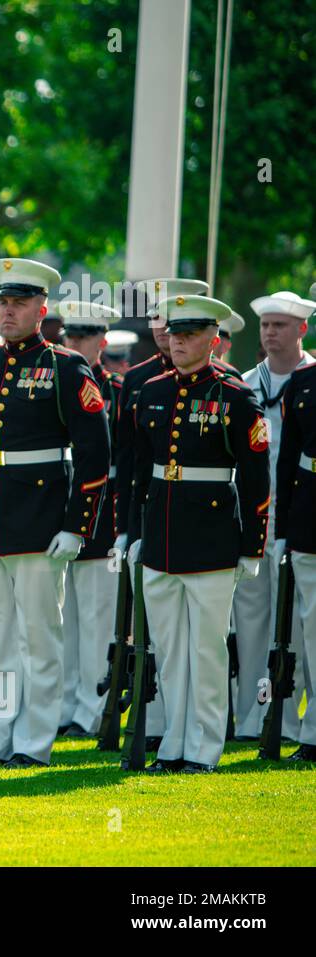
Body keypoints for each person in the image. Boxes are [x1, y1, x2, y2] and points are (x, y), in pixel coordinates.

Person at [0, 258, 111, 767]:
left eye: (19, 303)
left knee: (39, 637)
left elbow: (94, 453)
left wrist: (76, 524)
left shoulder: (67, 366)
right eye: (4, 303)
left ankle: (34, 742)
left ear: (42, 309)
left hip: (41, 522)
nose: (8, 312)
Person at [127, 295, 270, 773]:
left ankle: (204, 747)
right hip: (161, 535)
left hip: (211, 538)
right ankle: (173, 743)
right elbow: (136, 473)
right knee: (169, 650)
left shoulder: (234, 395)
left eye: (190, 334)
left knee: (206, 650)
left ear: (213, 340)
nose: (179, 341)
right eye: (174, 333)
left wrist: (253, 544)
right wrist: (132, 534)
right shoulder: (151, 391)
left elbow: (255, 478)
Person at [232, 290, 314, 740]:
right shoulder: (246, 384)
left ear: (302, 330)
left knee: (300, 622)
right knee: (251, 620)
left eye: (280, 325)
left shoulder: (313, 380)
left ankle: (290, 716)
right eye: (265, 326)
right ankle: (253, 715)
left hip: (300, 515)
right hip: (255, 517)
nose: (269, 333)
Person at [56, 299, 124, 736]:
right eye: (70, 336)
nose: (76, 343)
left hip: (103, 515)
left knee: (97, 620)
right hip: (61, 510)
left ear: (102, 341)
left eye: (84, 336)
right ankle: (64, 707)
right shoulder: (58, 382)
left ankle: (92, 710)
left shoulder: (118, 390)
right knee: (64, 622)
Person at [275, 358, 316, 760]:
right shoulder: (301, 383)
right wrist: (282, 529)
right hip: (309, 512)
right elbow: (287, 460)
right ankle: (314, 734)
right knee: (313, 630)